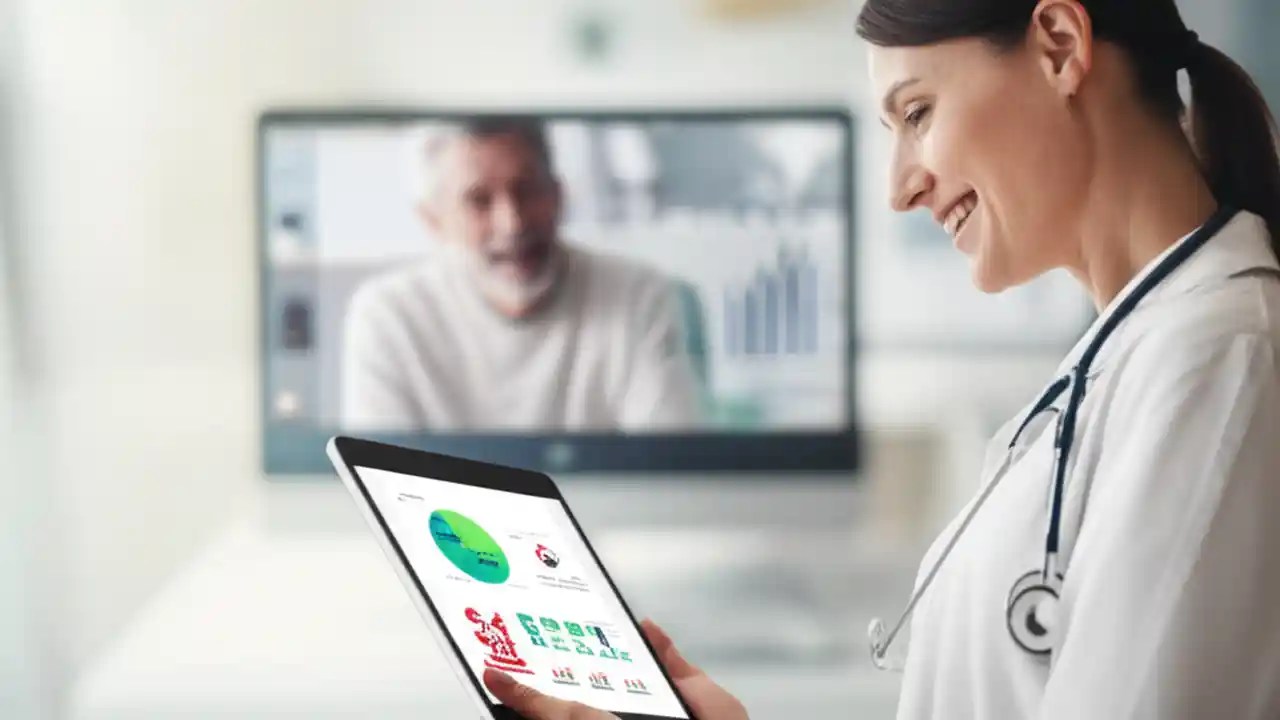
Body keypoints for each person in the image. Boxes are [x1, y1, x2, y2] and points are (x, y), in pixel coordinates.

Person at [481, 0, 1280, 717]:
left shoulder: (1220, 360)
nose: (899, 188)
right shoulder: (1135, 355)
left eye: (919, 112)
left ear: (1060, 47)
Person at [341, 116, 704, 432]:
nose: (512, 223)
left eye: (527, 190)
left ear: (559, 195)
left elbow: (675, 476)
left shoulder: (638, 295)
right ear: (434, 221)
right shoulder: (388, 316)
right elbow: (385, 488)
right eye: (478, 200)